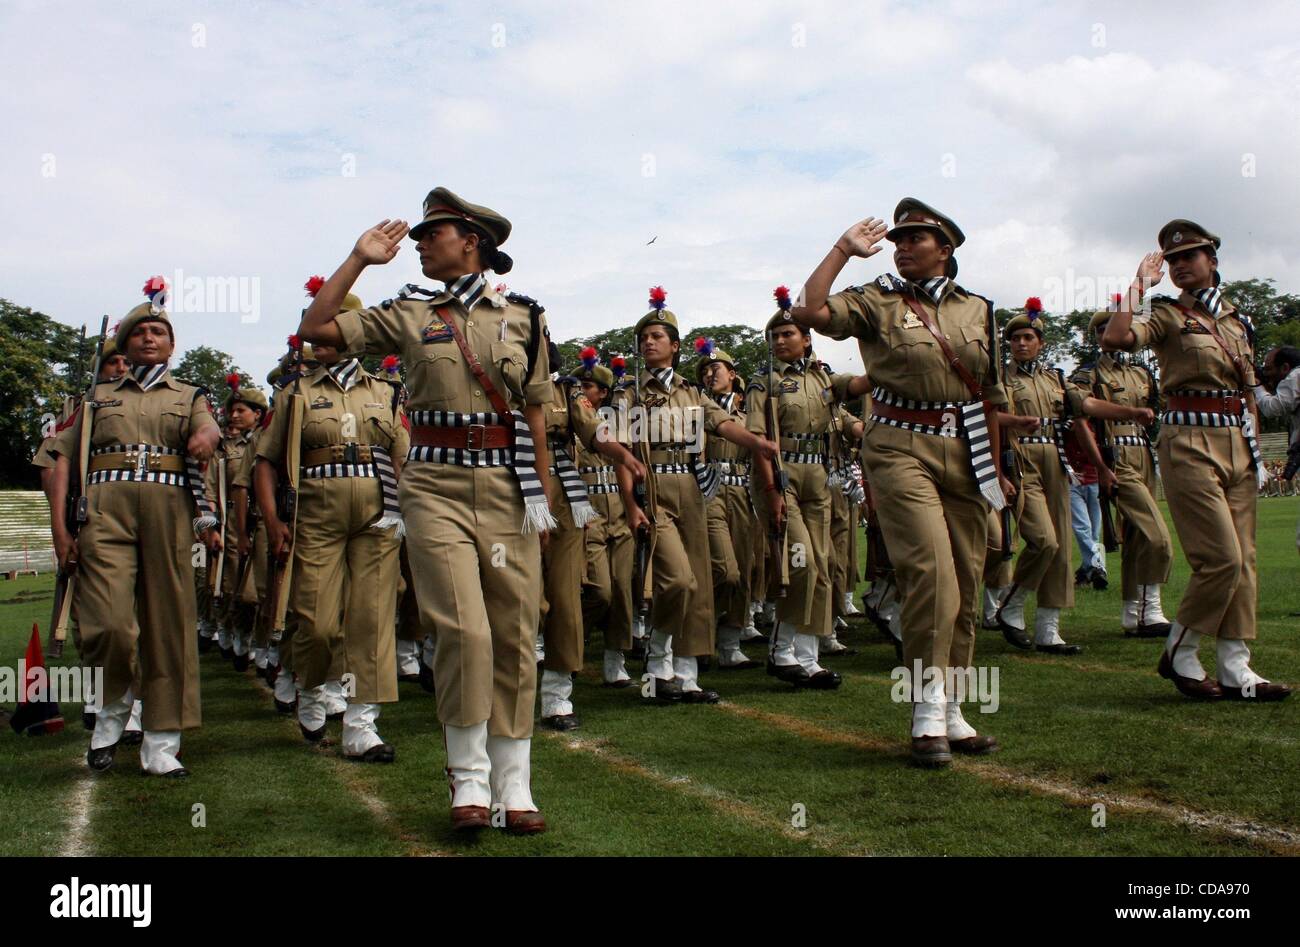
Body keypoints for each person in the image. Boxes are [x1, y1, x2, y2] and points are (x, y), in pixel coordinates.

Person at [299, 187, 559, 833]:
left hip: (508, 485)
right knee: (464, 630)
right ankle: (468, 780)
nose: (416, 243)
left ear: (469, 238)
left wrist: (545, 500)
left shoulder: (525, 317)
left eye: (429, 233)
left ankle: (515, 785)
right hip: (435, 484)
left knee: (515, 634)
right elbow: (317, 326)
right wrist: (358, 260)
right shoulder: (409, 313)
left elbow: (535, 413)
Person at [791, 199, 1009, 767]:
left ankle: (954, 709)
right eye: (900, 238)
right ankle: (926, 713)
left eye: (918, 238)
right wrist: (843, 250)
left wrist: (1000, 471)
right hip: (897, 447)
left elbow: (992, 396)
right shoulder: (876, 299)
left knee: (965, 578)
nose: (903, 245)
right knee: (932, 573)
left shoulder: (979, 310)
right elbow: (807, 310)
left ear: (947, 248)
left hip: (967, 452)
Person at [1101, 219, 1290, 701]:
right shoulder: (1165, 314)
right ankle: (1180, 650)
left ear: (1213, 261)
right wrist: (1138, 286)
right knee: (1220, 558)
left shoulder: (1236, 319)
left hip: (1238, 441)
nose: (1181, 265)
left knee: (1245, 561)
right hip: (1189, 439)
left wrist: (1257, 445)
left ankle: (1235, 667)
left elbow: (1247, 390)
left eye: (1191, 256)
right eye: (1173, 259)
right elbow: (1117, 338)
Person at [48, 278, 222, 776]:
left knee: (168, 624)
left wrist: (207, 434)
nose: (149, 338)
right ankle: (114, 705)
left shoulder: (190, 395)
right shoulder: (95, 398)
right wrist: (61, 530)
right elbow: (62, 461)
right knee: (108, 625)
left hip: (168, 511)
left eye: (158, 331)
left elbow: (206, 426)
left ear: (171, 345)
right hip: (105, 511)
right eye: (140, 331)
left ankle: (162, 741)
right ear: (125, 343)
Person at [256, 291, 409, 760]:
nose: (314, 336)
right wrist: (273, 519)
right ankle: (312, 685)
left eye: (327, 326)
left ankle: (362, 724)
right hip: (316, 513)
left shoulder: (386, 392)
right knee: (318, 624)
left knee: (371, 620)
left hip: (377, 514)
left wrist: (412, 513)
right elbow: (264, 461)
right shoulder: (297, 393)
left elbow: (402, 457)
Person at [611, 287, 778, 704]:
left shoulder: (691, 393)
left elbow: (722, 424)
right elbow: (617, 450)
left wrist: (757, 444)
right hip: (653, 489)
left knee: (700, 583)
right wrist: (630, 504)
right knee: (678, 580)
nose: (648, 343)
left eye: (657, 337)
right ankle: (657, 656)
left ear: (675, 346)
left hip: (690, 487)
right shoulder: (629, 394)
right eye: (644, 338)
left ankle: (684, 675)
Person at [993, 299, 1132, 655]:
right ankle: (1011, 604)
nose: (1021, 344)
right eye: (1015, 339)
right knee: (1044, 541)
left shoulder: (1056, 378)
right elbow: (987, 418)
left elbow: (1084, 410)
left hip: (1055, 460)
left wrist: (1128, 413)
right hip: (1019, 459)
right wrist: (1012, 429)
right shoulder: (999, 379)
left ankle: (1048, 631)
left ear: (1040, 341)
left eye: (1028, 337)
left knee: (1061, 550)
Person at [747, 289, 863, 688]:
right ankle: (782, 652)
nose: (780, 341)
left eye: (788, 334)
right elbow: (758, 441)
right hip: (784, 478)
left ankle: (809, 658)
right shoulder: (765, 383)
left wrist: (862, 426)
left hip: (822, 478)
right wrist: (772, 493)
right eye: (775, 336)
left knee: (823, 568)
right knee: (800, 564)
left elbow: (843, 413)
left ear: (807, 338)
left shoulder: (822, 378)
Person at [537, 343, 644, 730]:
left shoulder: (565, 393)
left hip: (563, 501)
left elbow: (593, 431)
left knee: (566, 597)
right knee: (527, 601)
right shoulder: (497, 389)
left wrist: (623, 454)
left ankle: (556, 695)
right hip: (509, 492)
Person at [1084, 309, 1173, 637]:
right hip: (1116, 452)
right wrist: (1102, 466)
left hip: (1144, 452)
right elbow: (1084, 410)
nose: (1110, 334)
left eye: (1114, 328)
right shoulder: (1088, 374)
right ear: (1096, 337)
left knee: (1136, 538)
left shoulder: (1142, 373)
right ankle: (1152, 611)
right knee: (1157, 536)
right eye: (1102, 330)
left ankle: (1131, 613)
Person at [695, 342, 762, 671]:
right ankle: (703, 632)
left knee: (745, 572)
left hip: (743, 494)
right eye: (704, 372)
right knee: (725, 571)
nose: (709, 374)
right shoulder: (696, 408)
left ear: (733, 375)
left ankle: (730, 642)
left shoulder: (750, 414)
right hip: (710, 492)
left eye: (715, 369)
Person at [574, 355, 638, 686]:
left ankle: (616, 657)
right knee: (600, 590)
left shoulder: (618, 423)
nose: (581, 392)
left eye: (587, 387)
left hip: (618, 508)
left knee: (623, 591)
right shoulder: (573, 425)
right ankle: (570, 638)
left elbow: (626, 464)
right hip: (589, 511)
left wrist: (631, 508)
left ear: (603, 392)